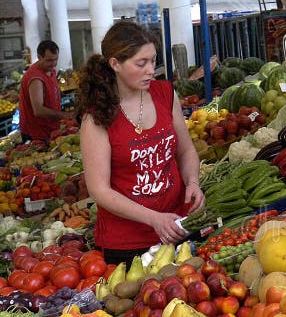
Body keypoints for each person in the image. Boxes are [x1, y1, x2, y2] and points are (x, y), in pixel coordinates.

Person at [78, 21, 205, 265]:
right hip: (129, 244)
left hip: (179, 227)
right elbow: (99, 190)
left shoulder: (166, 94)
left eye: (153, 61)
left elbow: (186, 150)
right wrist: (155, 219)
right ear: (115, 64)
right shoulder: (97, 118)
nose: (151, 70)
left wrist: (193, 182)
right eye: (141, 63)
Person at [19, 40, 74, 142]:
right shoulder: (35, 77)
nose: (53, 63)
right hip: (37, 134)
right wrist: (65, 115)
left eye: (55, 59)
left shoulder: (50, 70)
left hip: (50, 129)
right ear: (39, 57)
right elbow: (38, 110)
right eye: (49, 60)